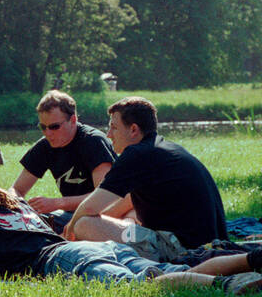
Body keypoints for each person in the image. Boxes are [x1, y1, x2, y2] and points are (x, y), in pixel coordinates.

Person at [0, 168, 262, 293]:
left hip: (64, 261)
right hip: (98, 247)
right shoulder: (15, 206)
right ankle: (257, 259)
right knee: (174, 271)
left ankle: (232, 285)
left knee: (147, 284)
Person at [65, 97, 226, 250]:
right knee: (127, 214)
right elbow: (119, 203)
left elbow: (90, 208)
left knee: (84, 224)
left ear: (133, 129)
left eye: (114, 127)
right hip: (209, 242)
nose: (108, 135)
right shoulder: (162, 148)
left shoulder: (136, 154)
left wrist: (68, 233)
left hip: (183, 248)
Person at [11, 90, 117, 230]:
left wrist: (57, 203)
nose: (48, 133)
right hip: (70, 216)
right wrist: (16, 207)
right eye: (43, 127)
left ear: (73, 120)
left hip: (102, 217)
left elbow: (105, 197)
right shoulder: (45, 146)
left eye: (54, 127)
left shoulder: (94, 142)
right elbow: (16, 189)